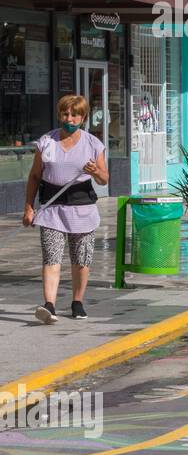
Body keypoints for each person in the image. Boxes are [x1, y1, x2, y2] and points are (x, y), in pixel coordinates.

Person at [23, 95, 110, 323]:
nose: (69, 119)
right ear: (59, 115)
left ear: (83, 117)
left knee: (81, 259)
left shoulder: (93, 144)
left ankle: (77, 302)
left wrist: (95, 171)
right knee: (51, 257)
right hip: (52, 208)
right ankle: (49, 305)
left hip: (82, 209)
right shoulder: (46, 142)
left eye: (74, 115)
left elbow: (104, 179)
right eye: (65, 114)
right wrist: (29, 207)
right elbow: (34, 176)